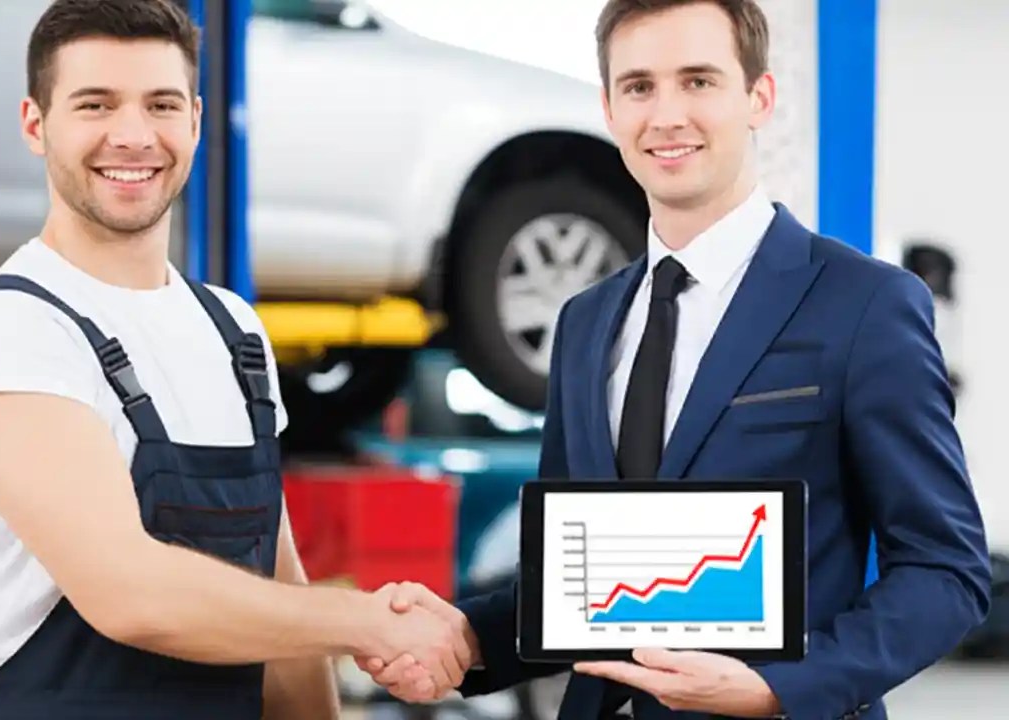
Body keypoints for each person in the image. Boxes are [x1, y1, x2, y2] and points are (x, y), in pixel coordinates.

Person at [359, 0, 993, 717]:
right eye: (639, 87)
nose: (666, 115)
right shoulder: (585, 322)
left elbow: (946, 570)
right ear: (607, 107)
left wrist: (776, 689)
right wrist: (465, 637)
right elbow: (579, 588)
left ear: (758, 97)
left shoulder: (863, 305)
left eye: (698, 81)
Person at [0, 1, 471, 718]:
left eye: (160, 104)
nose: (132, 135)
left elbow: (279, 595)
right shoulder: (9, 327)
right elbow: (130, 594)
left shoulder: (231, 329)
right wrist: (368, 621)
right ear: (36, 124)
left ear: (196, 122)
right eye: (95, 105)